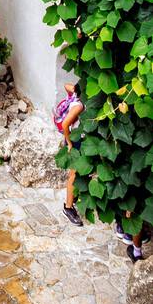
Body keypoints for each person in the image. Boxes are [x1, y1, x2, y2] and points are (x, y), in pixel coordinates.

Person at [56, 82, 85, 225]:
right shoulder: (79, 105)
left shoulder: (74, 95)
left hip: (75, 136)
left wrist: (74, 89)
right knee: (74, 174)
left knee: (79, 172)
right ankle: (68, 207)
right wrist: (69, 143)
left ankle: (73, 197)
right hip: (76, 138)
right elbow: (65, 124)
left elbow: (66, 85)